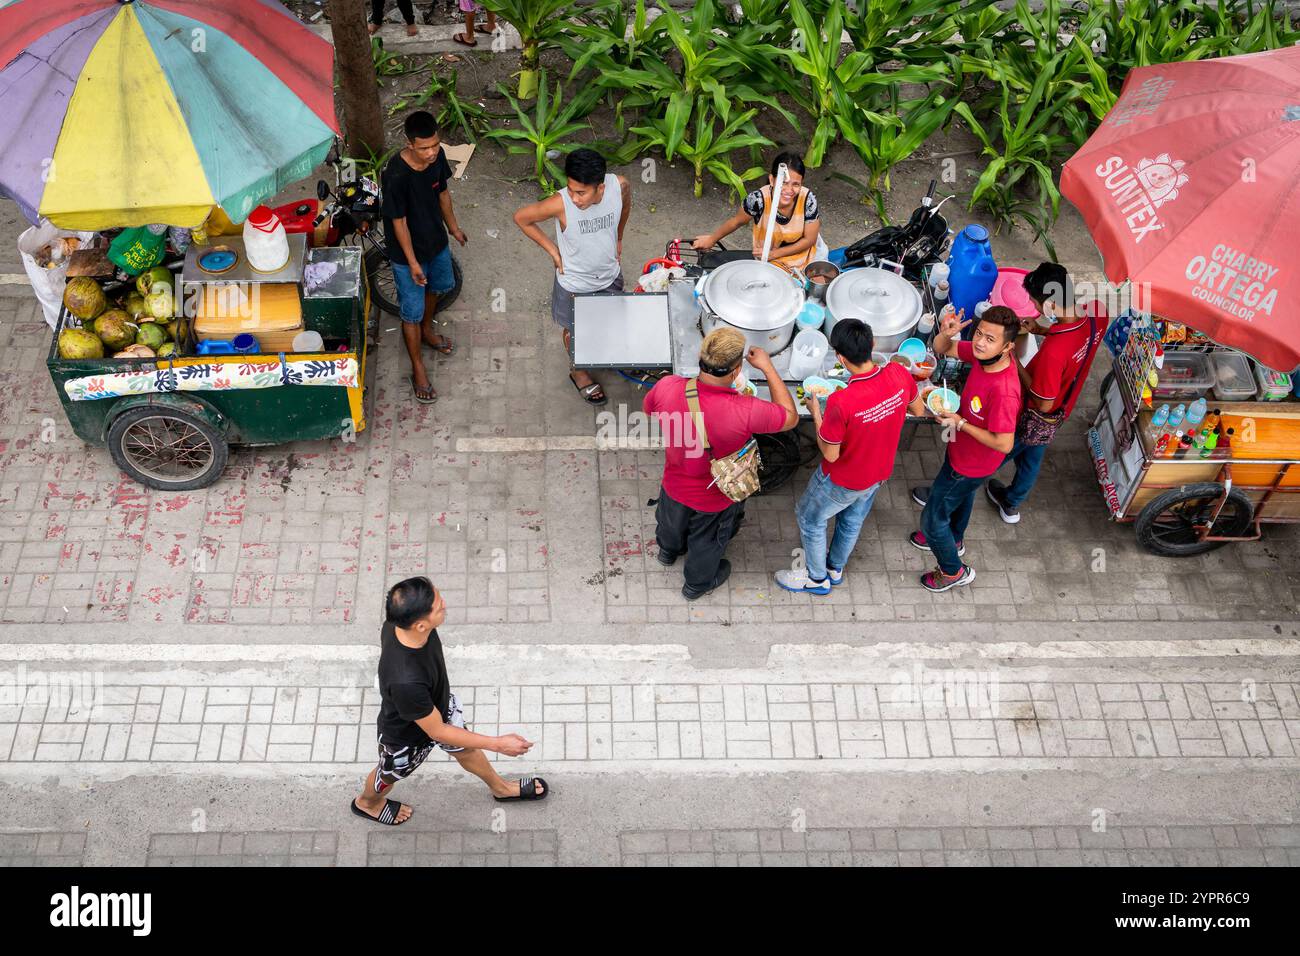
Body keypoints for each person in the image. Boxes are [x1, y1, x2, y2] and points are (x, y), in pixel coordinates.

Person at [352, 577, 548, 827]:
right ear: (421, 625)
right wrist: (498, 744)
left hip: (436, 710)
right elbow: (437, 731)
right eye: (438, 606)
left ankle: (501, 788)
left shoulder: (397, 625)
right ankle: (367, 803)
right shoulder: (406, 682)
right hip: (407, 737)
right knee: (388, 774)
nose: (444, 604)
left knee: (466, 748)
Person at [644, 328, 798, 600]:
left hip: (674, 485)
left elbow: (650, 408)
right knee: (707, 541)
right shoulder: (746, 409)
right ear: (736, 370)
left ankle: (668, 552)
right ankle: (697, 584)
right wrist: (767, 367)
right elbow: (789, 417)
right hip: (715, 497)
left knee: (670, 523)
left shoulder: (668, 386)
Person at [775, 319, 925, 595]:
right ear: (873, 344)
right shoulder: (900, 374)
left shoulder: (841, 401)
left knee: (810, 519)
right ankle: (835, 567)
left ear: (840, 358)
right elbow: (918, 410)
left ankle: (817, 579)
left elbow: (830, 454)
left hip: (843, 479)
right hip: (878, 473)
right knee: (852, 520)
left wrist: (816, 412)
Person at [909, 306, 1022, 592]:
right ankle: (955, 539)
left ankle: (951, 571)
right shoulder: (983, 354)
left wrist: (961, 424)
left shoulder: (1005, 390)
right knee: (961, 496)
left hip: (973, 463)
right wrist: (945, 335)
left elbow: (1005, 443)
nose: (981, 342)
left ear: (1008, 347)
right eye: (980, 334)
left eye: (990, 339)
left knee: (933, 520)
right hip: (961, 452)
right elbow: (942, 348)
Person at [984, 262, 1107, 524]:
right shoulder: (1097, 313)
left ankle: (959, 486)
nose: (1036, 309)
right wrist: (1042, 330)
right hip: (1063, 409)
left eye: (1036, 303)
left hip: (1035, 414)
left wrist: (1014, 360)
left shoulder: (1054, 353)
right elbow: (1075, 334)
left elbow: (1043, 402)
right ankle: (1011, 503)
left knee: (995, 453)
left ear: (1051, 302)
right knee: (1032, 458)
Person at [513, 148, 631, 407]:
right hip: (574, 284)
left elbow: (626, 203)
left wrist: (619, 236)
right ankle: (578, 371)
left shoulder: (618, 186)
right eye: (570, 189)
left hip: (609, 275)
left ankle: (602, 354)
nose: (574, 198)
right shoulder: (561, 203)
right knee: (575, 331)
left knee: (607, 319)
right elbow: (521, 218)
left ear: (600, 187)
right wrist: (553, 251)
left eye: (581, 193)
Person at [381, 111, 466, 404]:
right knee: (411, 313)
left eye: (435, 145)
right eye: (424, 148)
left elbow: (443, 193)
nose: (431, 153)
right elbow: (399, 222)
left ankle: (428, 330)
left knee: (439, 287)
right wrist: (414, 263)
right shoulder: (396, 175)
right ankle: (417, 367)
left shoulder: (438, 157)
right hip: (408, 256)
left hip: (437, 242)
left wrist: (453, 228)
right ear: (408, 144)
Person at [691, 151, 826, 272]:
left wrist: (774, 254)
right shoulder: (758, 200)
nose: (789, 190)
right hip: (768, 261)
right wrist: (711, 239)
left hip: (803, 258)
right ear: (772, 180)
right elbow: (737, 221)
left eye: (795, 184)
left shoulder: (808, 200)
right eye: (783, 182)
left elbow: (809, 239)